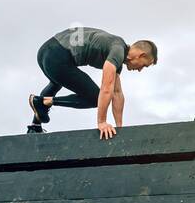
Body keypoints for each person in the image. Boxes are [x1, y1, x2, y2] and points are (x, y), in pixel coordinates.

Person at [28, 27, 157, 138]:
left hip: (46, 51)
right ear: (141, 55)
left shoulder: (118, 49)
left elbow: (117, 93)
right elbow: (106, 88)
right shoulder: (118, 50)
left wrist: (120, 128)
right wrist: (102, 122)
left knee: (57, 82)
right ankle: (44, 102)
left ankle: (35, 125)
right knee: (95, 98)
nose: (140, 70)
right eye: (144, 65)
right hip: (56, 55)